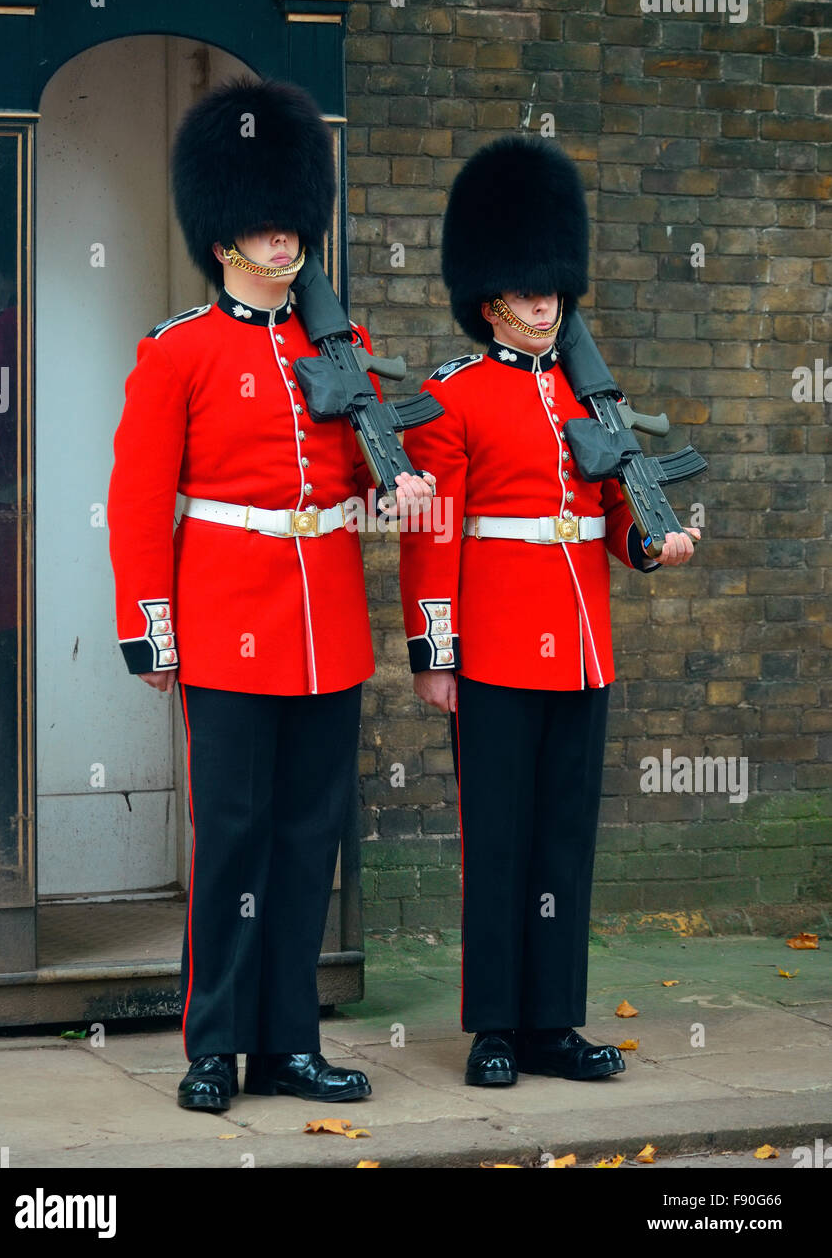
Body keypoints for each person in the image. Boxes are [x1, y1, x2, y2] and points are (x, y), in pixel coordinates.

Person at [107, 76, 431, 1112]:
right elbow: (136, 504)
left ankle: (288, 1044)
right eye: (263, 226)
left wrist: (404, 482)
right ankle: (213, 1046)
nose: (285, 241)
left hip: (327, 627)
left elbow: (374, 473)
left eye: (294, 223)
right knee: (233, 837)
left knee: (306, 843)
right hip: (226, 625)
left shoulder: (342, 349)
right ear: (221, 240)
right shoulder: (178, 352)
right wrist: (149, 630)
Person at [399, 135, 700, 1087]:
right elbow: (430, 535)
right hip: (490, 651)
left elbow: (613, 514)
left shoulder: (590, 396)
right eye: (529, 291)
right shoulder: (452, 398)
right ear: (491, 298)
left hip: (580, 652)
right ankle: (492, 1026)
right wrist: (434, 653)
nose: (545, 303)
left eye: (553, 289)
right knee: (498, 844)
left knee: (563, 846)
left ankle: (551, 1025)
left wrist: (651, 540)